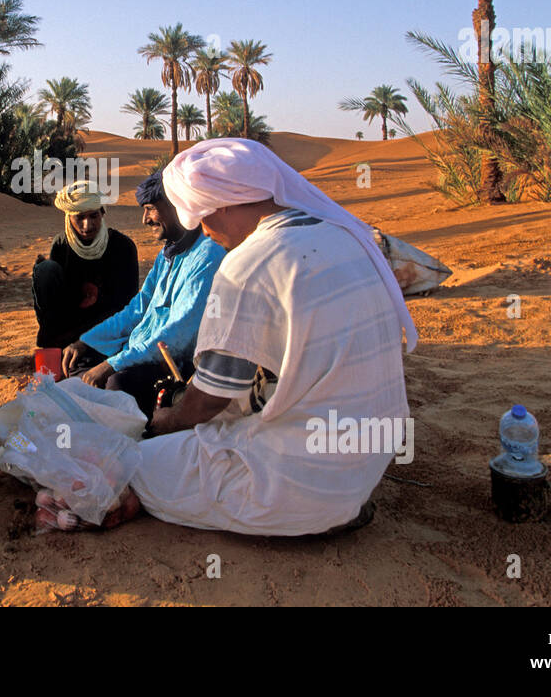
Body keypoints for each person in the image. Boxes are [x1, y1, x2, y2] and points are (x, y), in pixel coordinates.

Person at [46, 138, 417, 536]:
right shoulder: (345, 235)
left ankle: (308, 516)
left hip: (301, 485)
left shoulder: (249, 262)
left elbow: (207, 404)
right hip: (365, 467)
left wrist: (169, 421)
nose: (202, 229)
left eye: (199, 216)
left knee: (135, 463)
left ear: (219, 203)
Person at [60, 171, 226, 418]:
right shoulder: (168, 253)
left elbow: (177, 334)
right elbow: (137, 309)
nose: (145, 219)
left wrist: (112, 365)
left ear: (177, 207)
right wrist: (85, 341)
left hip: (173, 363)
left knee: (117, 384)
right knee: (81, 362)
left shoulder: (207, 255)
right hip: (138, 349)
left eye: (150, 209)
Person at [32, 180, 138, 350]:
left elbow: (126, 305)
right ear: (69, 218)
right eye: (80, 217)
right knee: (45, 270)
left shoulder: (122, 246)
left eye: (93, 216)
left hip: (108, 324)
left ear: (103, 213)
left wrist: (84, 339)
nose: (87, 225)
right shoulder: (61, 244)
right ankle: (52, 344)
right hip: (70, 321)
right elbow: (55, 302)